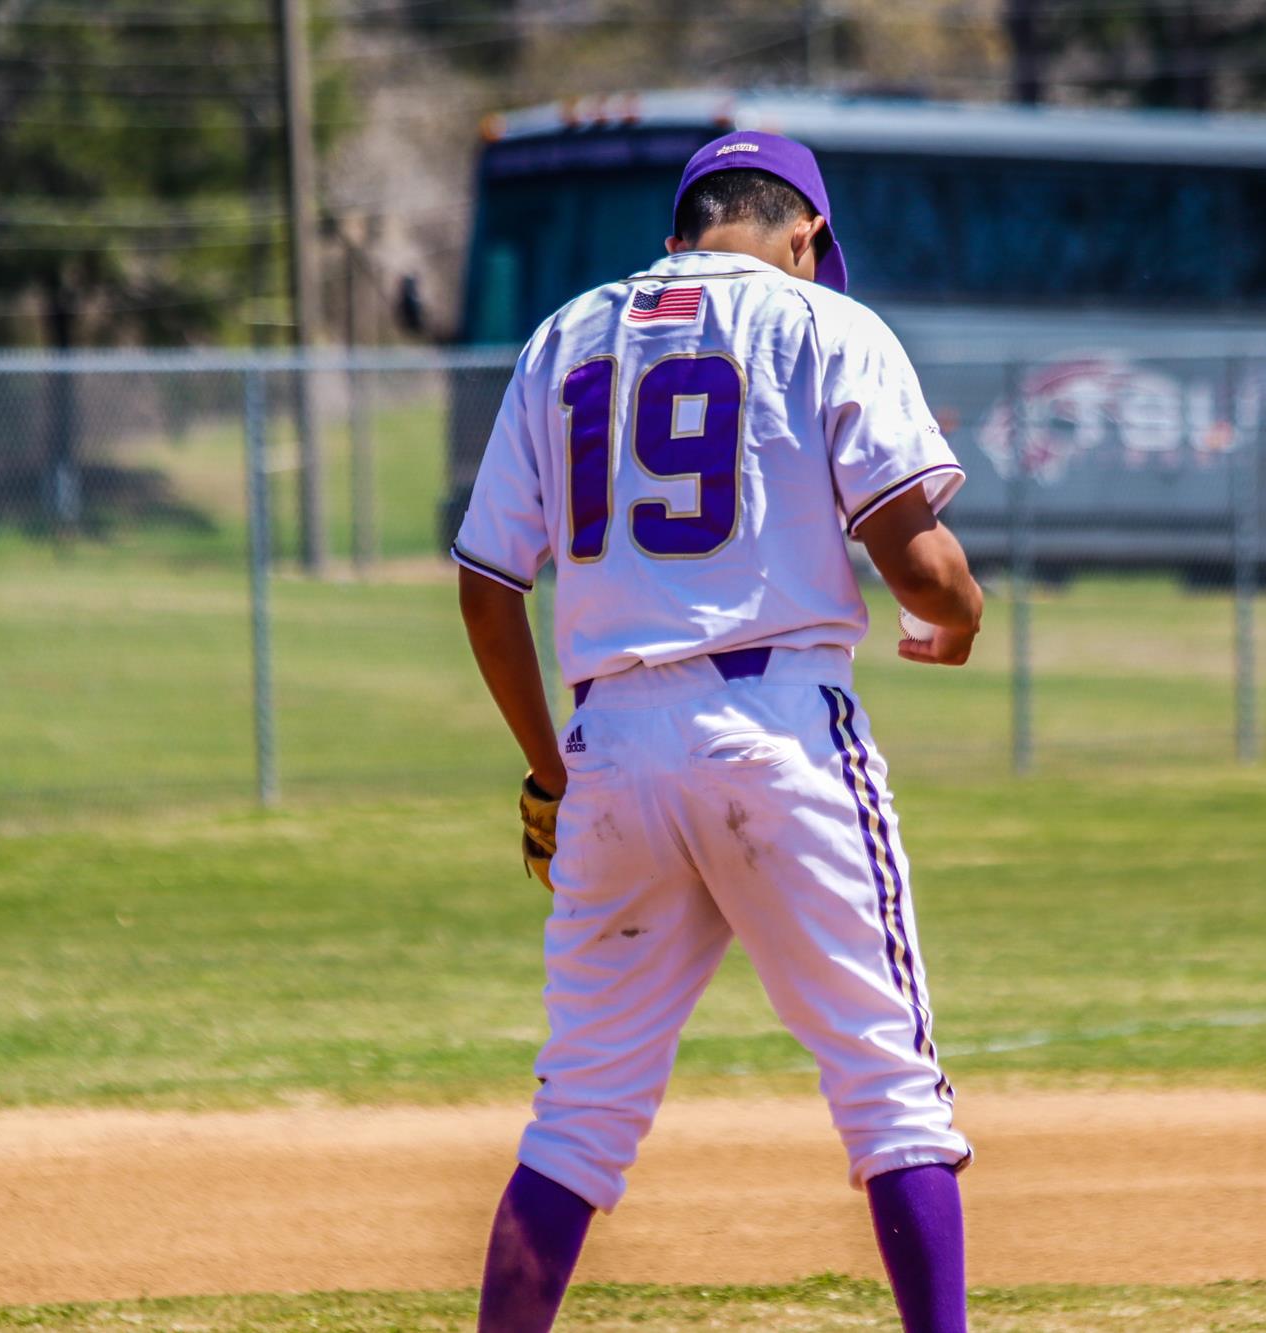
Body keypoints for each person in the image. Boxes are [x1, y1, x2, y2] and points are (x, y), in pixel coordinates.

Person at [453, 130, 984, 1333]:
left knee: (578, 1116)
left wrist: (551, 774)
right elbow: (919, 560)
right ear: (804, 236)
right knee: (889, 1091)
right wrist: (959, 615)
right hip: (776, 730)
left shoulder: (562, 337)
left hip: (611, 743)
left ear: (682, 224)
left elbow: (489, 590)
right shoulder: (824, 324)